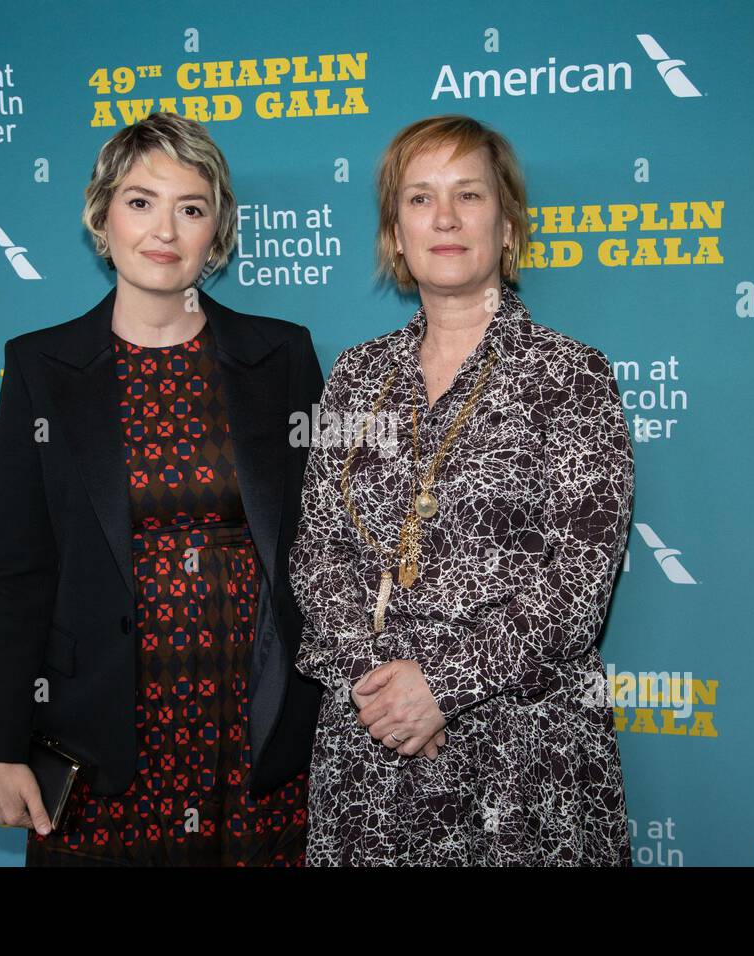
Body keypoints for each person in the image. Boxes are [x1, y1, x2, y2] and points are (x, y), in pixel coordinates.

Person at [0, 112, 324, 866]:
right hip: (104, 737)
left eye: (190, 208)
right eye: (140, 202)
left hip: (251, 734)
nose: (165, 229)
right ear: (102, 217)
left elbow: (325, 548)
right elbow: (19, 572)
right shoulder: (41, 369)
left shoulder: (281, 357)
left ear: (216, 232)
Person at [290, 114, 635, 865]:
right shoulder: (356, 377)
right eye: (420, 198)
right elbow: (318, 552)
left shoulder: (571, 377)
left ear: (507, 227)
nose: (443, 218)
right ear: (395, 232)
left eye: (468, 195)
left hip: (520, 762)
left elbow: (577, 586)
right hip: (369, 754)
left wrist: (442, 686)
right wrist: (380, 690)